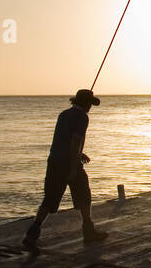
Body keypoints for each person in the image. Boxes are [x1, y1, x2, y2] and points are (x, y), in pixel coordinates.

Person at [22, 89, 106, 252]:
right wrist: (74, 167)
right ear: (86, 104)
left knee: (50, 199)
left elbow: (63, 139)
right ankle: (88, 231)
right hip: (69, 163)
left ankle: (31, 235)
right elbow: (75, 140)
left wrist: (79, 153)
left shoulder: (64, 114)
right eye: (90, 104)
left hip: (54, 161)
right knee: (84, 196)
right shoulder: (82, 117)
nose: (90, 107)